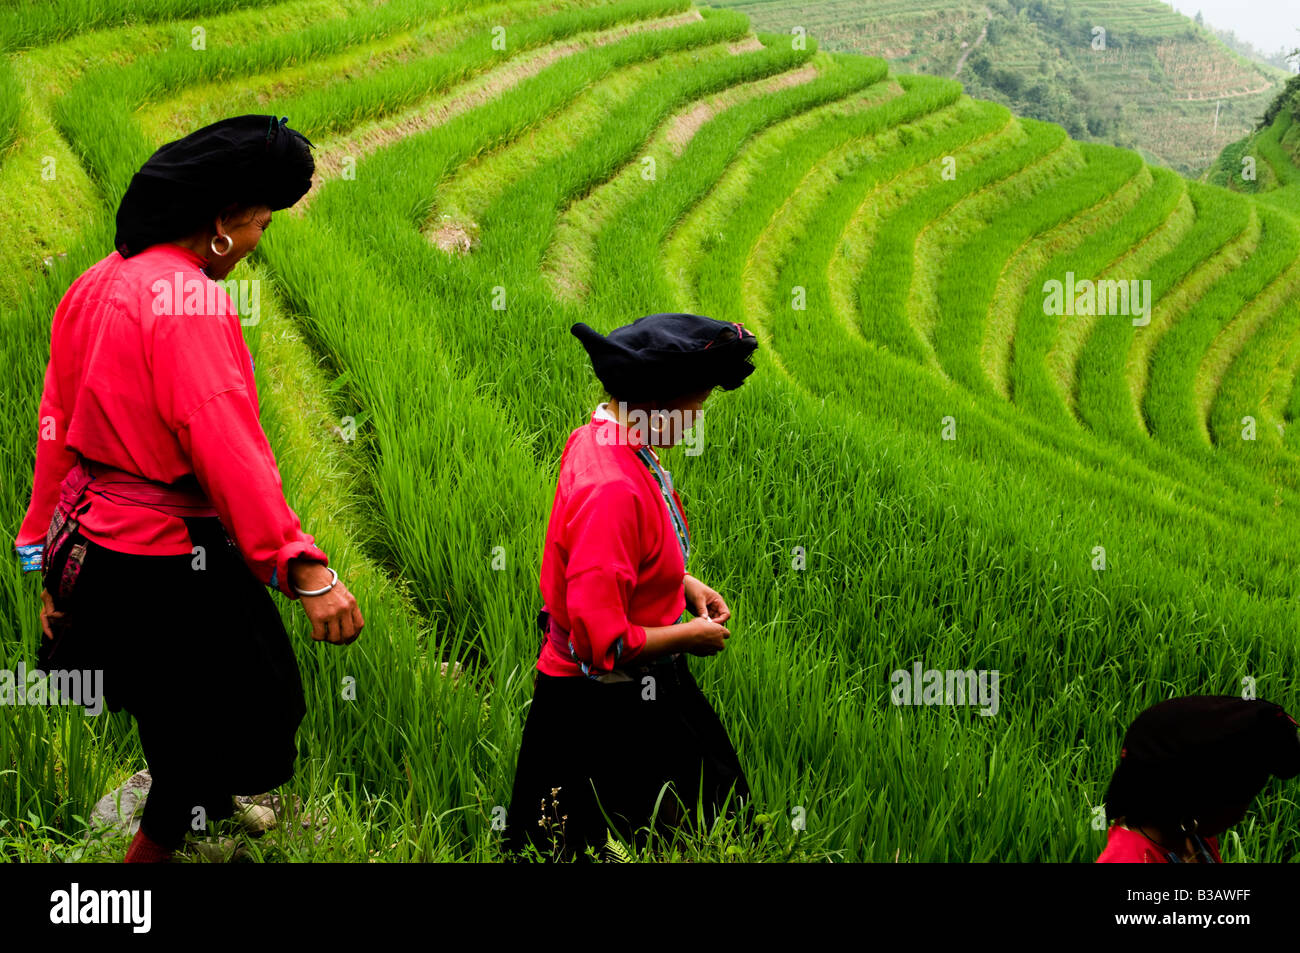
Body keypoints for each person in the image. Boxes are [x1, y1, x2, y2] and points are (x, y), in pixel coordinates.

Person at [12, 115, 364, 863]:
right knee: (251, 707)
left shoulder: (94, 282)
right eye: (260, 223)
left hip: (94, 545)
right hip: (166, 557)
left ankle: (191, 821)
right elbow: (231, 452)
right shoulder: (191, 302)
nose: (258, 239)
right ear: (220, 225)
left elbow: (54, 422)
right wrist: (304, 568)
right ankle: (139, 874)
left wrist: (45, 554)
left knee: (177, 711)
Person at [503, 313, 758, 861]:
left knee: (702, 809)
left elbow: (622, 560)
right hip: (603, 702)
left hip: (637, 680)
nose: (696, 422)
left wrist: (681, 582)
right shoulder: (612, 489)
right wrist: (688, 637)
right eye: (694, 408)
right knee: (638, 831)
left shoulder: (604, 438)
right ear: (657, 403)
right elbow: (604, 644)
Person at [1096, 695, 1300, 863]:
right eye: (1243, 800)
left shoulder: (1194, 838)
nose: (1243, 816)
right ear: (1201, 800)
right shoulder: (1127, 859)